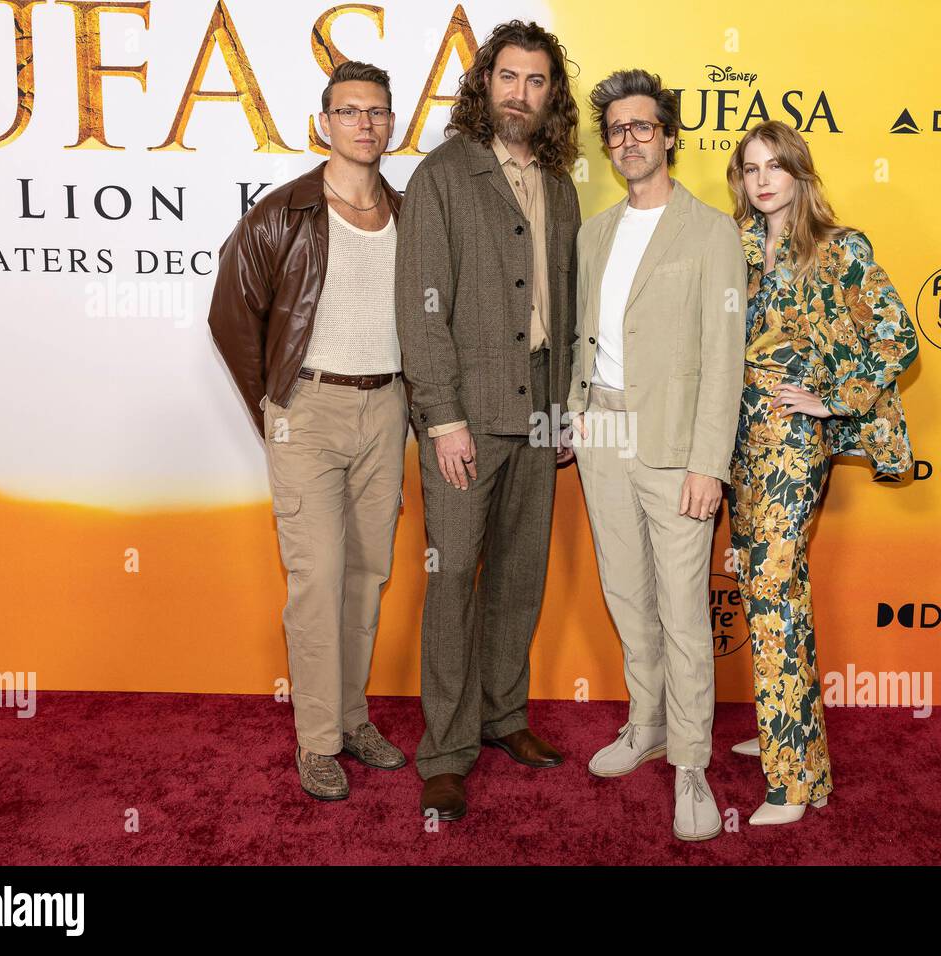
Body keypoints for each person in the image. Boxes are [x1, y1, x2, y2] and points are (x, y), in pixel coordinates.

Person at [395, 20, 582, 822]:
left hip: (540, 406)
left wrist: (566, 407)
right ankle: (445, 752)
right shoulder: (442, 175)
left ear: (550, 96)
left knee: (519, 574)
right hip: (466, 414)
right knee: (452, 584)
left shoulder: (561, 183)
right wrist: (443, 419)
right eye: (508, 76)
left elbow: (567, 307)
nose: (520, 93)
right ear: (485, 84)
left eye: (536, 81)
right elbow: (420, 310)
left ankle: (505, 716)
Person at [207, 62, 409, 801]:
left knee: (367, 575)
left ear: (392, 124)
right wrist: (276, 407)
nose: (364, 123)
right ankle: (318, 740)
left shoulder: (410, 212)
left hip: (387, 408)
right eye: (348, 111)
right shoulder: (283, 213)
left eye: (376, 111)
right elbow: (231, 314)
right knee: (317, 580)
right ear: (324, 124)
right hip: (309, 410)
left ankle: (352, 719)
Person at [567, 69, 745, 842]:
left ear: (669, 136)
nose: (629, 139)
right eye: (617, 130)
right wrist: (575, 416)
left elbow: (725, 356)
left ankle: (692, 763)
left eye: (643, 126)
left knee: (681, 610)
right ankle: (646, 724)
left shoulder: (711, 232)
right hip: (602, 434)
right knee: (628, 594)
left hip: (676, 446)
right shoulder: (593, 232)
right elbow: (584, 335)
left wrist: (710, 462)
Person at [724, 119, 918, 824]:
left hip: (792, 441)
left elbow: (899, 337)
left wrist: (833, 397)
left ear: (800, 173)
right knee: (764, 588)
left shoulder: (839, 247)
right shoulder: (736, 246)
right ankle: (787, 727)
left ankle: (795, 782)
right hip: (735, 440)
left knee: (774, 585)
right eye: (751, 169)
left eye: (775, 166)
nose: (763, 179)